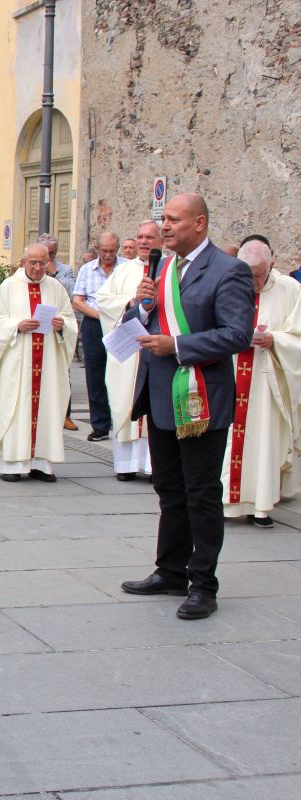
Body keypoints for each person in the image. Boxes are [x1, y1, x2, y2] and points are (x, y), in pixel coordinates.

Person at [120, 193, 256, 620]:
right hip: (161, 394)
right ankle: (170, 570)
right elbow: (143, 323)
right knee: (169, 490)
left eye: (174, 220)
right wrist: (139, 305)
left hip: (200, 397)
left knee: (200, 494)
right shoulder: (161, 268)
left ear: (199, 223)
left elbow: (237, 334)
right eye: (164, 219)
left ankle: (204, 584)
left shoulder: (228, 270)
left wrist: (177, 345)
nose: (166, 227)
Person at [221, 240, 301, 528]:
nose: (252, 281)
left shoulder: (291, 290)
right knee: (226, 440)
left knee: (262, 441)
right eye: (247, 274)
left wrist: (275, 340)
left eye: (258, 274)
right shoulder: (228, 282)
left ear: (272, 265)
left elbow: (298, 336)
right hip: (228, 374)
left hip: (268, 383)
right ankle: (223, 503)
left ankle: (260, 507)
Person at [0, 243, 77, 481]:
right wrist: (17, 325)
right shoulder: (9, 287)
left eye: (42, 263)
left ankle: (41, 464)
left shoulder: (55, 287)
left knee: (46, 408)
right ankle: (11, 465)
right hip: (17, 363)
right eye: (32, 262)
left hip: (47, 363)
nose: (37, 268)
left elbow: (69, 319)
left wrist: (61, 325)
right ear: (23, 262)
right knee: (15, 409)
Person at [95, 220, 163, 479]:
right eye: (140, 237)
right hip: (129, 350)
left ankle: (154, 466)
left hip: (156, 348)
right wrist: (130, 301)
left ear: (161, 241)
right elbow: (103, 300)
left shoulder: (171, 269)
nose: (144, 242)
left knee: (156, 406)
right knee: (124, 401)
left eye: (149, 237)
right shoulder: (123, 271)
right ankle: (126, 466)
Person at [72, 231, 122, 442]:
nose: (108, 255)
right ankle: (100, 425)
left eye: (112, 251)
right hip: (94, 323)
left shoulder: (126, 267)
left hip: (121, 324)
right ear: (97, 249)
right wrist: (100, 316)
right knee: (95, 374)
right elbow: (77, 300)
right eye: (104, 251)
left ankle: (120, 422)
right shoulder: (87, 269)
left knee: (121, 373)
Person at [37, 234, 79, 431]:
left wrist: (62, 325)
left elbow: (71, 293)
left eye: (51, 255)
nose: (43, 263)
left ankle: (63, 414)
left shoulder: (63, 272)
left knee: (61, 376)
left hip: (52, 341)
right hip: (27, 343)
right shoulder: (16, 278)